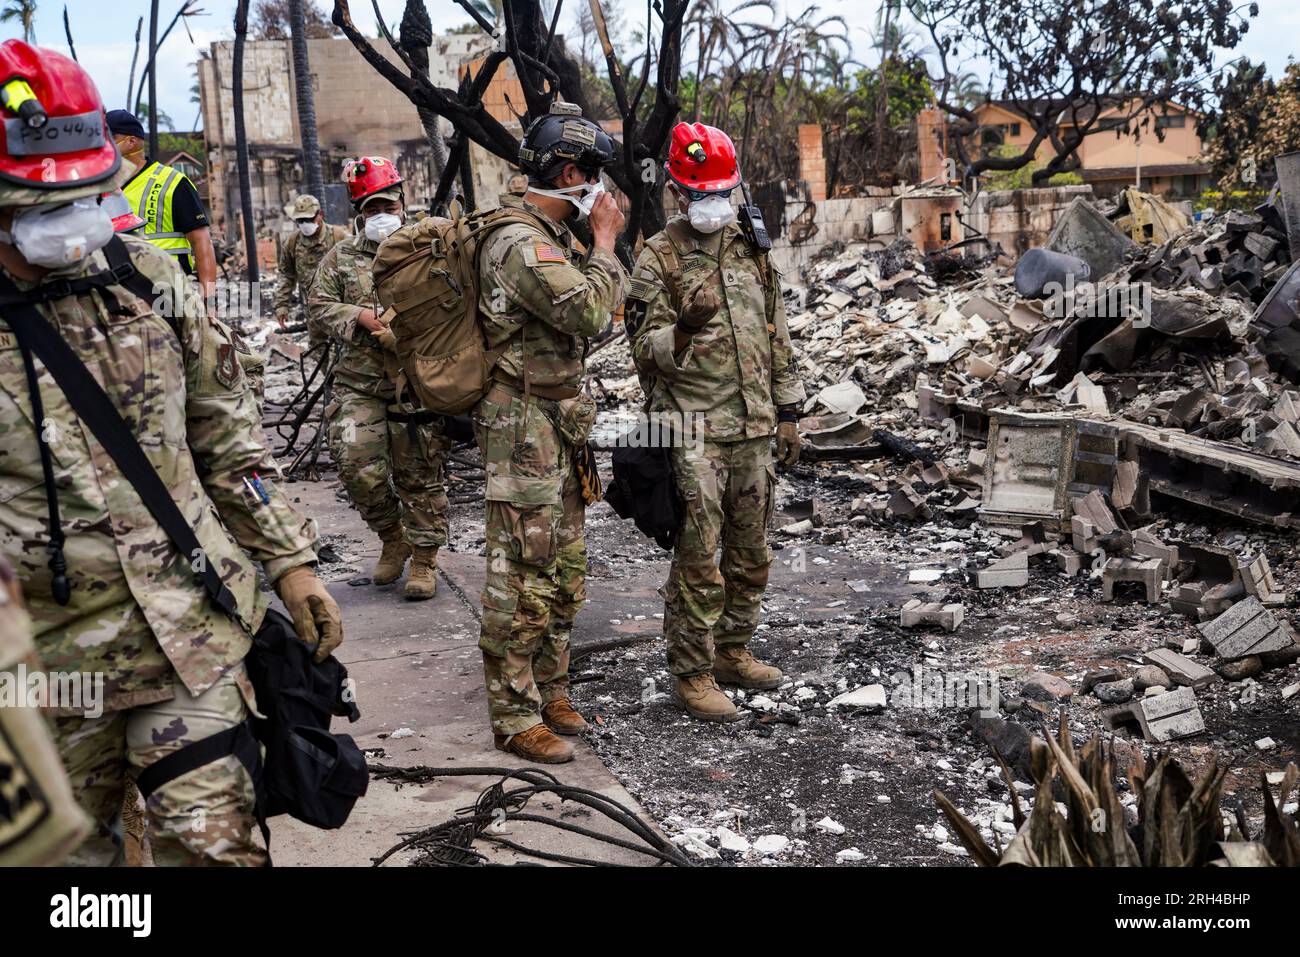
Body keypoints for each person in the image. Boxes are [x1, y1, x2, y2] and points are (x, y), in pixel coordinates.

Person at [0, 39, 342, 865]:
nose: (70, 218)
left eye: (86, 192)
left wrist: (292, 565)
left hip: (185, 637)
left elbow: (230, 442)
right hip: (40, 677)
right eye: (38, 202)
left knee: (218, 849)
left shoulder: (151, 282)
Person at [625, 121, 805, 722]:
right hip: (692, 431)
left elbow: (777, 332)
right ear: (676, 191)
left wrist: (788, 410)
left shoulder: (751, 245)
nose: (711, 205)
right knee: (699, 560)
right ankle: (693, 673)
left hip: (754, 426)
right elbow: (643, 348)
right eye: (699, 194)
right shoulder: (658, 255)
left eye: (720, 192)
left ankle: (732, 651)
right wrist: (681, 329)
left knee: (751, 555)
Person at [472, 102, 626, 763]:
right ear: (569, 172)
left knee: (563, 569)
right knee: (521, 574)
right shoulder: (520, 244)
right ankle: (512, 712)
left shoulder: (551, 236)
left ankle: (552, 688)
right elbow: (592, 309)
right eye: (592, 173)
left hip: (558, 424)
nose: (601, 189)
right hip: (522, 428)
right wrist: (609, 243)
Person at [308, 157, 449, 601]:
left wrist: (407, 328)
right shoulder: (342, 256)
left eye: (386, 204)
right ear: (358, 214)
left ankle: (425, 559)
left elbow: (453, 301)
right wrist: (361, 318)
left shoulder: (426, 249)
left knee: (419, 473)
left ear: (403, 203)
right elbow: (318, 303)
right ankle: (393, 536)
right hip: (359, 382)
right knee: (354, 464)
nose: (379, 214)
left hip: (415, 380)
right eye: (370, 209)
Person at [107, 108, 218, 295]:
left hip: (169, 290)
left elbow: (202, 242)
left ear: (131, 142)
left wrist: (208, 299)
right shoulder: (101, 189)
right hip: (122, 293)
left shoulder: (172, 183)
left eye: (109, 138)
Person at [274, 193, 346, 340]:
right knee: (318, 353)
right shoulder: (292, 243)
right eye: (300, 220)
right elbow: (286, 274)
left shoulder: (338, 237)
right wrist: (281, 305)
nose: (305, 224)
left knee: (345, 352)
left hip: (341, 308)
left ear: (320, 215)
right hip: (313, 312)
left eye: (309, 219)